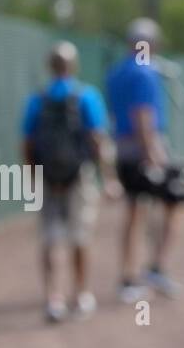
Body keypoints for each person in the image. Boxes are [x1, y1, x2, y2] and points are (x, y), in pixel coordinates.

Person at [21, 41, 119, 322]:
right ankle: (82, 294)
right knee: (80, 236)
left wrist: (32, 180)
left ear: (49, 66)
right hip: (79, 178)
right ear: (74, 66)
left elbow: (26, 144)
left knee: (49, 239)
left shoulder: (36, 100)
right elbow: (97, 139)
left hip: (46, 180)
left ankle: (53, 298)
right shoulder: (86, 96)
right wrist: (109, 178)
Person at [106, 18, 184, 303]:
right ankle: (156, 266)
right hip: (144, 150)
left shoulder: (117, 73)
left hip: (123, 149)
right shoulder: (144, 73)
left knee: (134, 212)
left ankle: (128, 277)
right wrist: (153, 156)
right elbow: (143, 117)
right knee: (176, 202)